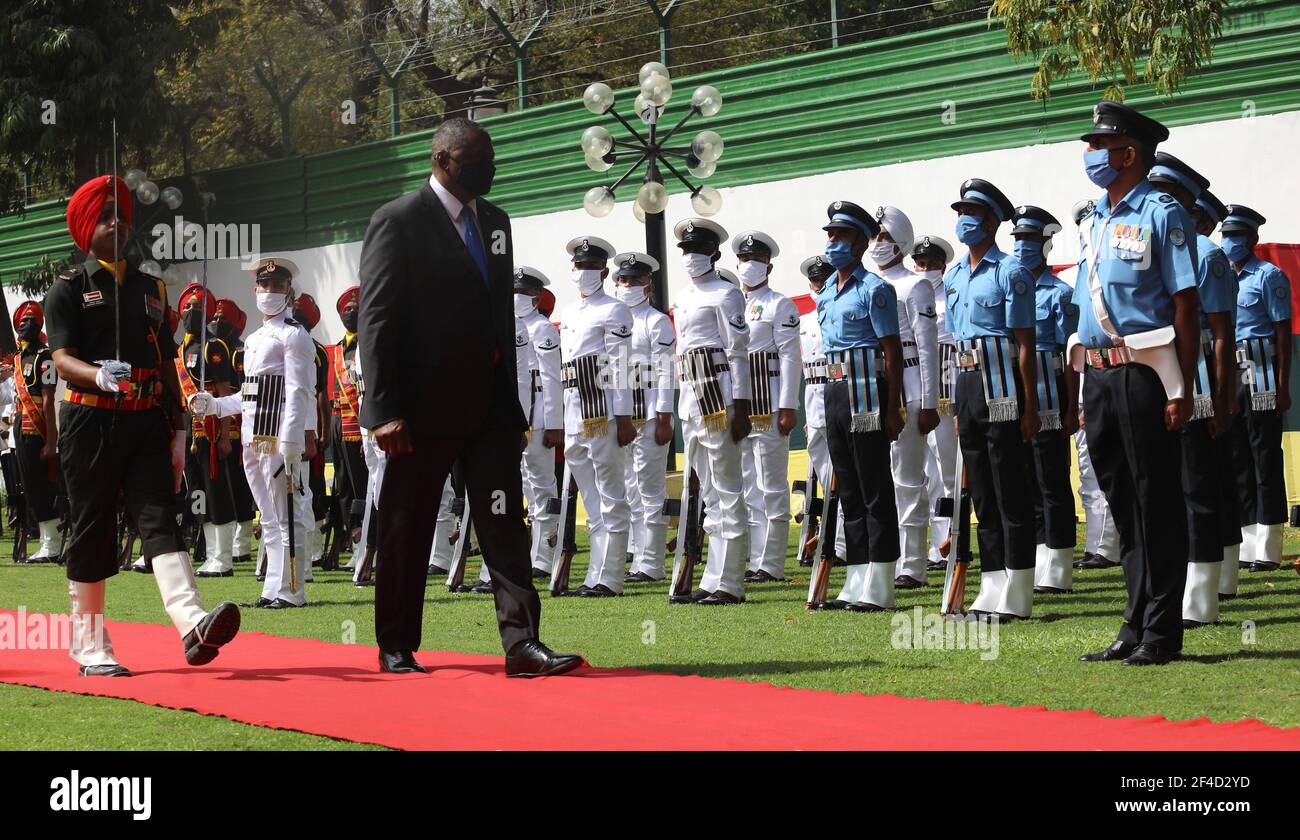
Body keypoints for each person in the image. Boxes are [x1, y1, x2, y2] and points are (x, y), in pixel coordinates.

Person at [356, 117, 582, 676]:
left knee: (505, 522)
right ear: (443, 160)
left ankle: (522, 645)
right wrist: (383, 411)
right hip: (418, 411)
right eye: (477, 158)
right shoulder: (399, 220)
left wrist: (511, 397)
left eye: (492, 158)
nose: (490, 168)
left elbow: (497, 313)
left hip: (490, 408)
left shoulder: (496, 222)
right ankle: (397, 645)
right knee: (408, 524)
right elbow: (376, 320)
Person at [47, 174, 239, 676]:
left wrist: (179, 436)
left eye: (123, 214)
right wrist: (98, 375)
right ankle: (89, 645)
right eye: (106, 215)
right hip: (89, 422)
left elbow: (167, 364)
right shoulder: (67, 289)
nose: (118, 221)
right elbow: (61, 360)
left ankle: (193, 623)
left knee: (160, 519)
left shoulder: (151, 288)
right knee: (91, 529)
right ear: (86, 228)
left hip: (147, 423)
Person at [1073, 100, 1199, 666]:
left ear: (1130, 153)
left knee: (1156, 501)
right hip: (1098, 376)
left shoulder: (1162, 213)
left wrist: (1183, 388)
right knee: (1122, 503)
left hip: (1146, 372)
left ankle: (1162, 630)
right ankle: (1133, 622)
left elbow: (1185, 305)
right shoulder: (1092, 218)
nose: (1092, 155)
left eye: (1101, 146)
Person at [191, 258, 317, 610]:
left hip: (277, 438)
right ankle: (271, 589)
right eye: (264, 286)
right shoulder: (256, 339)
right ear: (255, 290)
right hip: (252, 437)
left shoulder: (295, 336)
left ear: (289, 293)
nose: (269, 293)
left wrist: (292, 440)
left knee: (287, 515)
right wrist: (213, 405)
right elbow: (249, 394)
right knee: (271, 519)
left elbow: (298, 392)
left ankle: (292, 590)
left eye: (277, 287)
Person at [1147, 162, 1240, 628]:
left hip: (1197, 381)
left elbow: (1222, 333)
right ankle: (1169, 589)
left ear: (1186, 201)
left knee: (1198, 488)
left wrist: (1222, 399)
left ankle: (1201, 598)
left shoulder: (1206, 255)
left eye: (1164, 190)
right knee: (1164, 491)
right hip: (1154, 377)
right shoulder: (1146, 244)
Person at [945, 178, 1040, 620]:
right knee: (981, 488)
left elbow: (1025, 342)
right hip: (966, 382)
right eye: (960, 212)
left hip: (1001, 382)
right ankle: (992, 581)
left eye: (973, 213)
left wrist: (1030, 404)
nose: (964, 220)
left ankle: (1019, 587)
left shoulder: (1011, 272)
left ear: (992, 221)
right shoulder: (955, 274)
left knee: (1010, 488)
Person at [816, 201, 904, 612]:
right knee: (848, 488)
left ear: (861, 243)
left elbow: (892, 353)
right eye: (830, 235)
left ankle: (882, 581)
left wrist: (893, 408)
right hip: (834, 391)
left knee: (874, 487)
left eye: (842, 236)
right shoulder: (826, 294)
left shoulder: (876, 289)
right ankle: (856, 576)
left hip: (869, 390)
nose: (833, 243)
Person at [669, 218, 752, 605]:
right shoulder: (683, 297)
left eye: (698, 251)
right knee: (710, 495)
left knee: (728, 488)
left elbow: (737, 352)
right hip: (690, 394)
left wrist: (740, 406)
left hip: (718, 393)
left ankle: (731, 580)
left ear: (714, 254)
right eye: (686, 251)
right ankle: (711, 579)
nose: (691, 257)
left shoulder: (727, 294)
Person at [555, 235, 636, 596]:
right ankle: (594, 575)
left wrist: (623, 417)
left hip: (600, 408)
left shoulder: (615, 310)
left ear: (604, 271)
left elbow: (620, 368)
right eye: (578, 265)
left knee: (611, 493)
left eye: (590, 266)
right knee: (591, 498)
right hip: (574, 410)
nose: (583, 271)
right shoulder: (570, 313)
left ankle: (612, 577)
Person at [1009, 206, 1080, 595]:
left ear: (1046, 244)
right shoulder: (1009, 285)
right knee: (1025, 481)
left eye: (1031, 240)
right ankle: (1038, 558)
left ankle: (1060, 564)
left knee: (1051, 480)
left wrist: (1072, 406)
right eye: (1018, 239)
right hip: (1015, 396)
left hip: (1050, 392)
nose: (1023, 247)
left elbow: (1071, 356)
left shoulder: (1060, 294)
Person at [870, 207, 940, 589]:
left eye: (882, 236)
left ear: (899, 241)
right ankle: (885, 557)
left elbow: (927, 347)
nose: (876, 244)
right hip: (874, 391)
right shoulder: (866, 284)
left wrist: (928, 402)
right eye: (874, 237)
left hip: (910, 390)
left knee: (908, 479)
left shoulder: (915, 286)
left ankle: (912, 564)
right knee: (881, 480)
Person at [1223, 204, 1291, 574]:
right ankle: (1247, 544)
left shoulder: (1269, 276)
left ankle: (1268, 546)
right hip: (1229, 370)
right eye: (1227, 235)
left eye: (1237, 236)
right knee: (1236, 456)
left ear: (1253, 240)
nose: (1230, 242)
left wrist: (1282, 385)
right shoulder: (1221, 276)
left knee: (1264, 454)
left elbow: (1283, 331)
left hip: (1262, 368)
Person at [1056, 201, 1122, 572]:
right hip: (1086, 376)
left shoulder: (1115, 269)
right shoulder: (1070, 278)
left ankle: (1109, 543)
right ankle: (1099, 542)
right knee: (1088, 466)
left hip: (1120, 369)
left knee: (1114, 464)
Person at [732, 231, 801, 584]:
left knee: (772, 486)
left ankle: (771, 562)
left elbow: (790, 358)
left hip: (769, 406)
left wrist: (788, 406)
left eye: (757, 260)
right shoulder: (730, 303)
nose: (749, 266)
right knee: (747, 487)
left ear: (769, 266)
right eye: (745, 260)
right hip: (737, 411)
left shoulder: (779, 305)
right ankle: (755, 558)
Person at [612, 252, 677, 583]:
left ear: (648, 287)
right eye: (623, 281)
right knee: (628, 489)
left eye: (635, 282)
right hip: (621, 418)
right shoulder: (613, 319)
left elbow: (666, 371)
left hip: (650, 416)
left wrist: (664, 417)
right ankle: (638, 555)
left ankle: (651, 563)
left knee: (650, 490)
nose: (627, 287)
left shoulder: (656, 321)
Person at [174, 282, 239, 578]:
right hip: (191, 433)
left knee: (218, 492)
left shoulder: (214, 346)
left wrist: (226, 435)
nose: (191, 311)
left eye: (197, 308)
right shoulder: (180, 351)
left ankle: (223, 558)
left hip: (213, 431)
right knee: (199, 493)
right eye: (187, 307)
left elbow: (225, 393)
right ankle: (210, 553)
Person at [909, 236, 959, 574]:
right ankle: (932, 543)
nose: (926, 269)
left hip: (945, 394)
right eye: (921, 264)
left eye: (932, 264)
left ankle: (949, 540)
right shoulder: (911, 298)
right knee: (922, 472)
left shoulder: (952, 299)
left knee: (947, 472)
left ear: (943, 266)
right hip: (915, 394)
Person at [512, 266, 564, 578]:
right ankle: (532, 552)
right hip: (515, 420)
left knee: (542, 486)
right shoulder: (507, 327)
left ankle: (545, 554)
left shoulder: (543, 329)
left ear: (536, 298)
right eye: (514, 292)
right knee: (524, 486)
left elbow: (552, 379)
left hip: (539, 419)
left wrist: (555, 424)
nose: (517, 298)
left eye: (524, 293)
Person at [798, 255, 846, 566]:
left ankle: (840, 545)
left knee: (843, 476)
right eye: (815, 281)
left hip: (840, 397)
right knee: (825, 475)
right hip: (814, 404)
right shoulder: (803, 322)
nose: (819, 285)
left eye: (824, 279)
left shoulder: (841, 314)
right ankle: (825, 538)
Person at [10, 301, 64, 563]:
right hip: (21, 427)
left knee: (43, 487)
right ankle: (45, 541)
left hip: (39, 430)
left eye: (32, 319)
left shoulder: (46, 356)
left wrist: (51, 440)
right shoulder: (18, 359)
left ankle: (51, 544)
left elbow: (48, 400)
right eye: (23, 321)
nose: (27, 324)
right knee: (30, 486)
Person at [212, 299, 257, 565]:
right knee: (221, 486)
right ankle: (222, 544)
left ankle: (242, 543)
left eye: (224, 319)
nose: (218, 323)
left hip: (240, 425)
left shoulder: (242, 352)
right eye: (215, 318)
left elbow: (246, 391)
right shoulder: (210, 350)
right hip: (211, 426)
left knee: (240, 484)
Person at [293, 292, 332, 576]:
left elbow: (320, 396)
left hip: (307, 433)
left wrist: (320, 432)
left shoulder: (315, 350)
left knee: (308, 493)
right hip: (288, 431)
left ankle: (310, 555)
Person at [329, 285, 368, 542]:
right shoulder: (337, 350)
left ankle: (367, 537)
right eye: (347, 309)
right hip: (338, 423)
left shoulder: (369, 344)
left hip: (359, 423)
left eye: (355, 308)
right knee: (342, 484)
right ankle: (351, 536)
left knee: (362, 484)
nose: (350, 312)